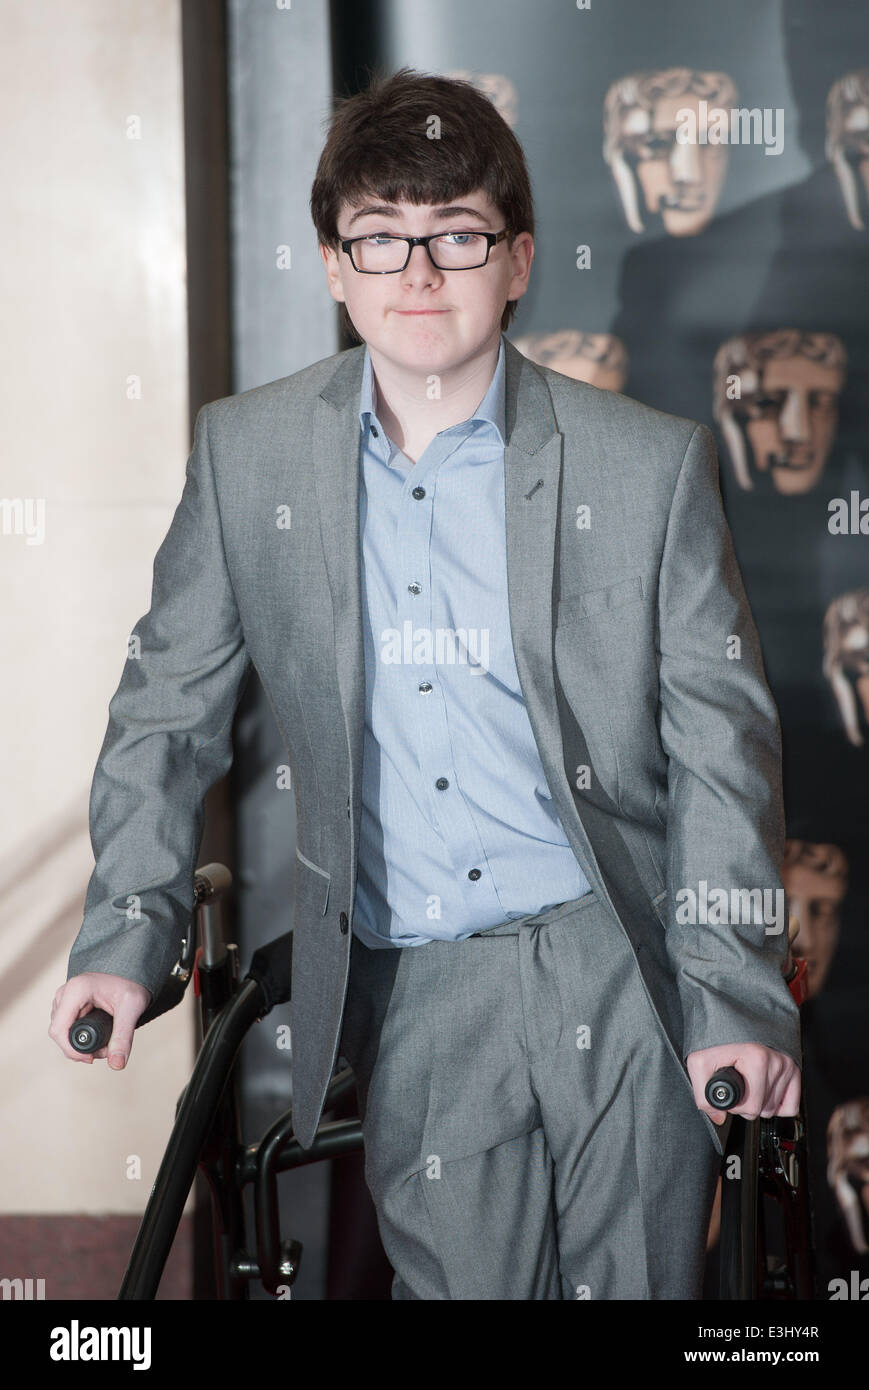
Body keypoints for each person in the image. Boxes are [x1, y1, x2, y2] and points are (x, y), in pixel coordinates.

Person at [50, 66, 802, 1300]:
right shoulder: (248, 456)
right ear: (333, 267)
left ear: (515, 260)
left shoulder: (646, 465)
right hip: (422, 984)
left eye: (454, 236)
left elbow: (723, 751)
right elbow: (167, 705)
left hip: (615, 956)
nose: (415, 274)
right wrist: (129, 929)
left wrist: (730, 995)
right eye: (379, 239)